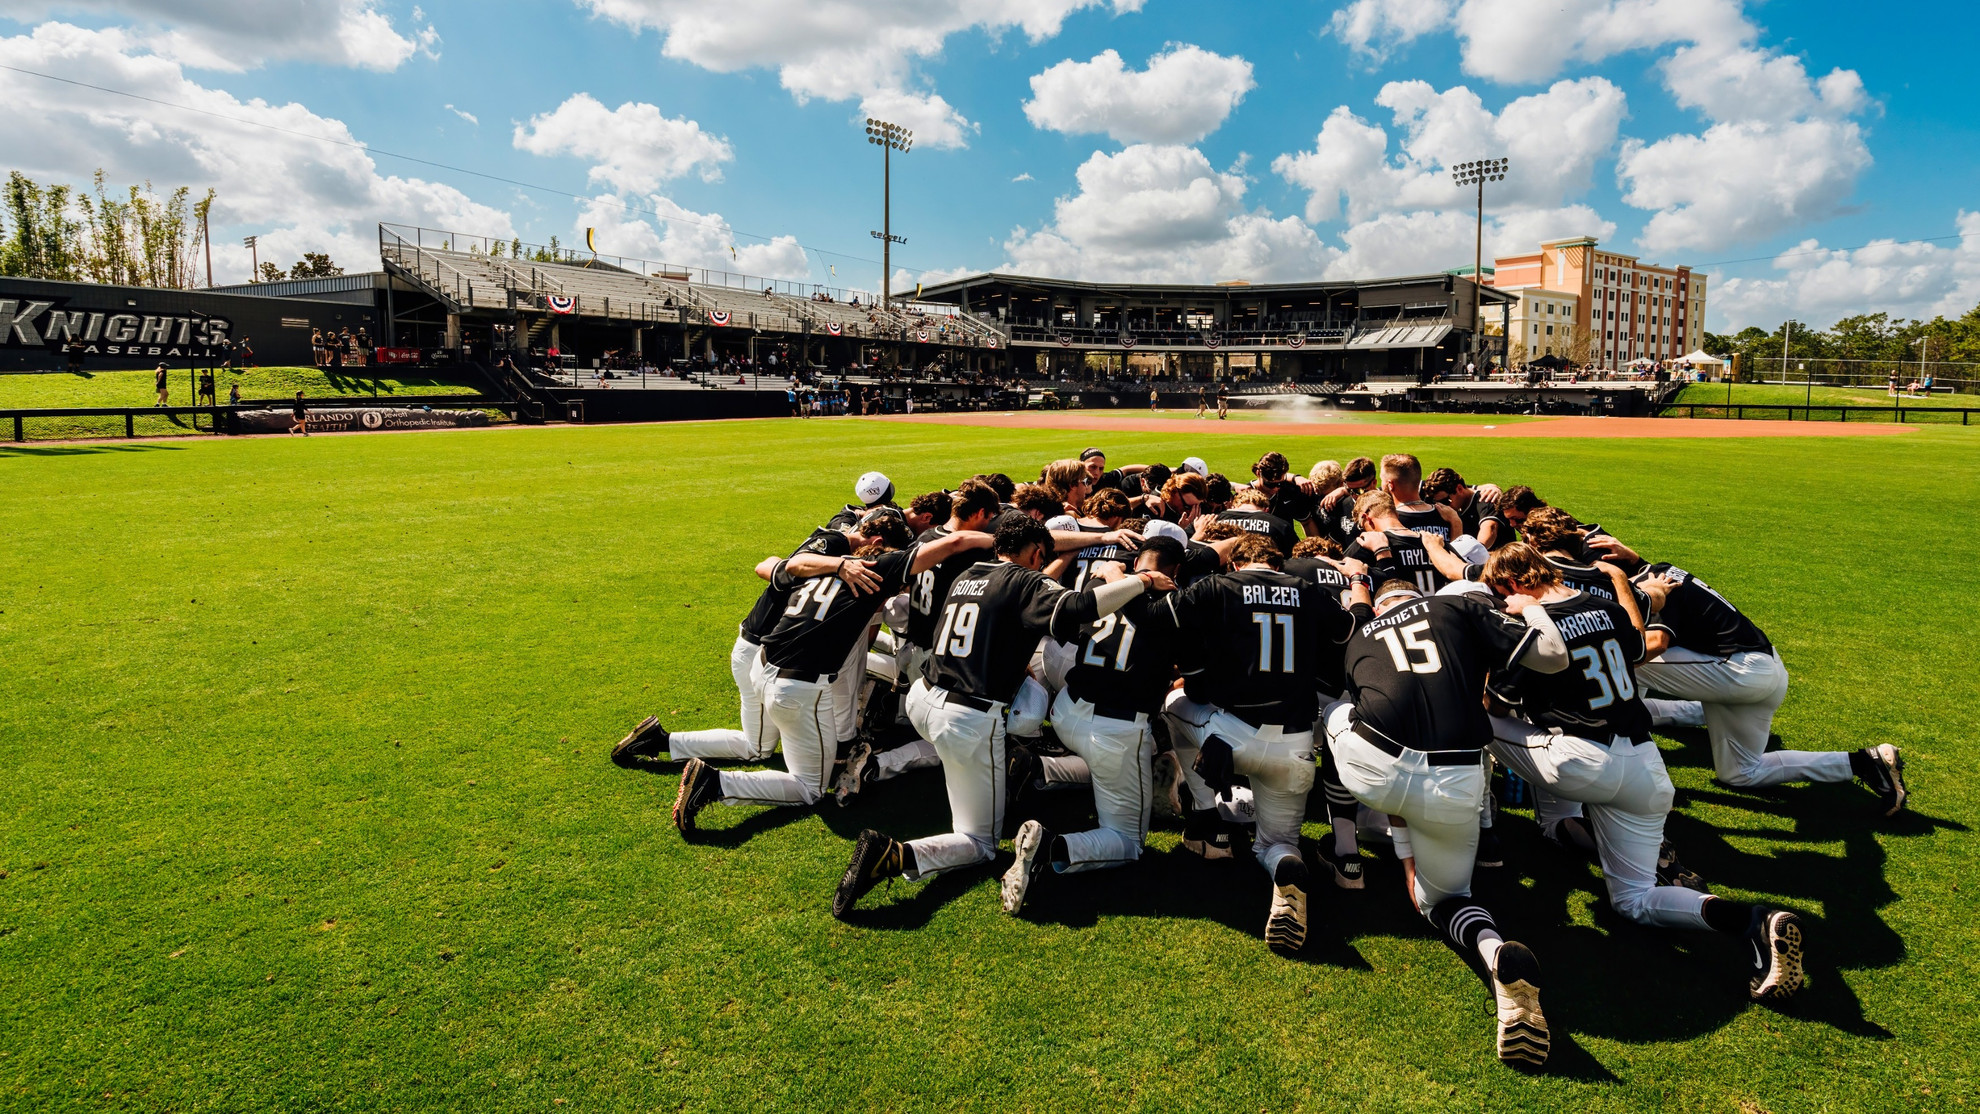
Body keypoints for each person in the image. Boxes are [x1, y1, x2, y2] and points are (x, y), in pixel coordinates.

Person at [1478, 544, 1808, 1002]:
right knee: (1633, 900)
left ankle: (1481, 817)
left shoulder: (1525, 622)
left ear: (1513, 585)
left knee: (1471, 719)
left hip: (1580, 760)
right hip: (1645, 769)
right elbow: (1637, 644)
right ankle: (1752, 921)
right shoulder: (1602, 606)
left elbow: (1497, 701)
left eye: (1500, 593)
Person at [831, 516, 1172, 919]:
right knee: (979, 842)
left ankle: (1007, 766)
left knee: (962, 749)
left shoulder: (970, 573)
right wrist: (1144, 582)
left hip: (925, 695)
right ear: (1035, 553)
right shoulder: (1026, 580)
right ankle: (894, 855)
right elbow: (1081, 608)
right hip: (967, 713)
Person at [1324, 574, 1572, 1068]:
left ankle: (1345, 843)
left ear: (1380, 606)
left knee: (1337, 711)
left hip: (1375, 769)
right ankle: (1494, 949)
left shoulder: (1360, 635)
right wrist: (1530, 608)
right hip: (1454, 782)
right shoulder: (1453, 609)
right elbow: (1553, 657)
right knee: (1448, 899)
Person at [669, 516, 994, 831]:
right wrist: (1003, 544)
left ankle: (671, 746)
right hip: (796, 687)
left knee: (763, 747)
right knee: (810, 787)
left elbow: (781, 565)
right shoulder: (876, 569)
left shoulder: (825, 566)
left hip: (764, 665)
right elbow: (956, 541)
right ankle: (715, 784)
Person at [1155, 534, 1366, 954]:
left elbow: (1162, 617)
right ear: (1278, 565)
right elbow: (1347, 632)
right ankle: (1286, 864)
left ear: (1236, 563)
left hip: (1229, 732)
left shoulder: (1218, 585)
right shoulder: (1307, 590)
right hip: (1295, 742)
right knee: (1276, 842)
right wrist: (1357, 594)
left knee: (1174, 702)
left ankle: (1205, 821)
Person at [1588, 537, 1908, 812]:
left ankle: (1620, 752)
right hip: (1759, 675)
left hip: (1740, 673)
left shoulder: (1654, 589)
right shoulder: (1659, 569)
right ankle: (1865, 762)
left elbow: (1654, 643)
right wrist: (1632, 559)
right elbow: (1646, 573)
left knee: (1618, 661)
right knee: (1740, 773)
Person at [1001, 536, 1189, 913]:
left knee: (1134, 755)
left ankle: (1041, 768)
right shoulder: (1175, 604)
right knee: (1129, 841)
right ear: (1177, 570)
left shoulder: (1101, 584)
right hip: (1116, 727)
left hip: (1068, 710)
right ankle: (1053, 847)